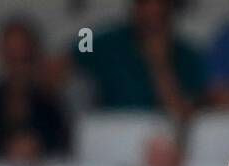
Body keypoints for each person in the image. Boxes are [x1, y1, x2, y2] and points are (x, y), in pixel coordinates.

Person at [67, 0, 206, 121]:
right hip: (113, 131)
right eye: (144, 5)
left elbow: (183, 115)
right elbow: (63, 63)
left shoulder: (188, 56)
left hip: (163, 137)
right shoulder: (107, 42)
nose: (151, 17)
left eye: (159, 13)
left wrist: (159, 65)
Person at [0, 17, 70, 159]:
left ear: (35, 55)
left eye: (24, 57)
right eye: (12, 57)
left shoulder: (51, 106)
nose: (18, 66)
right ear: (1, 54)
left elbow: (63, 153)